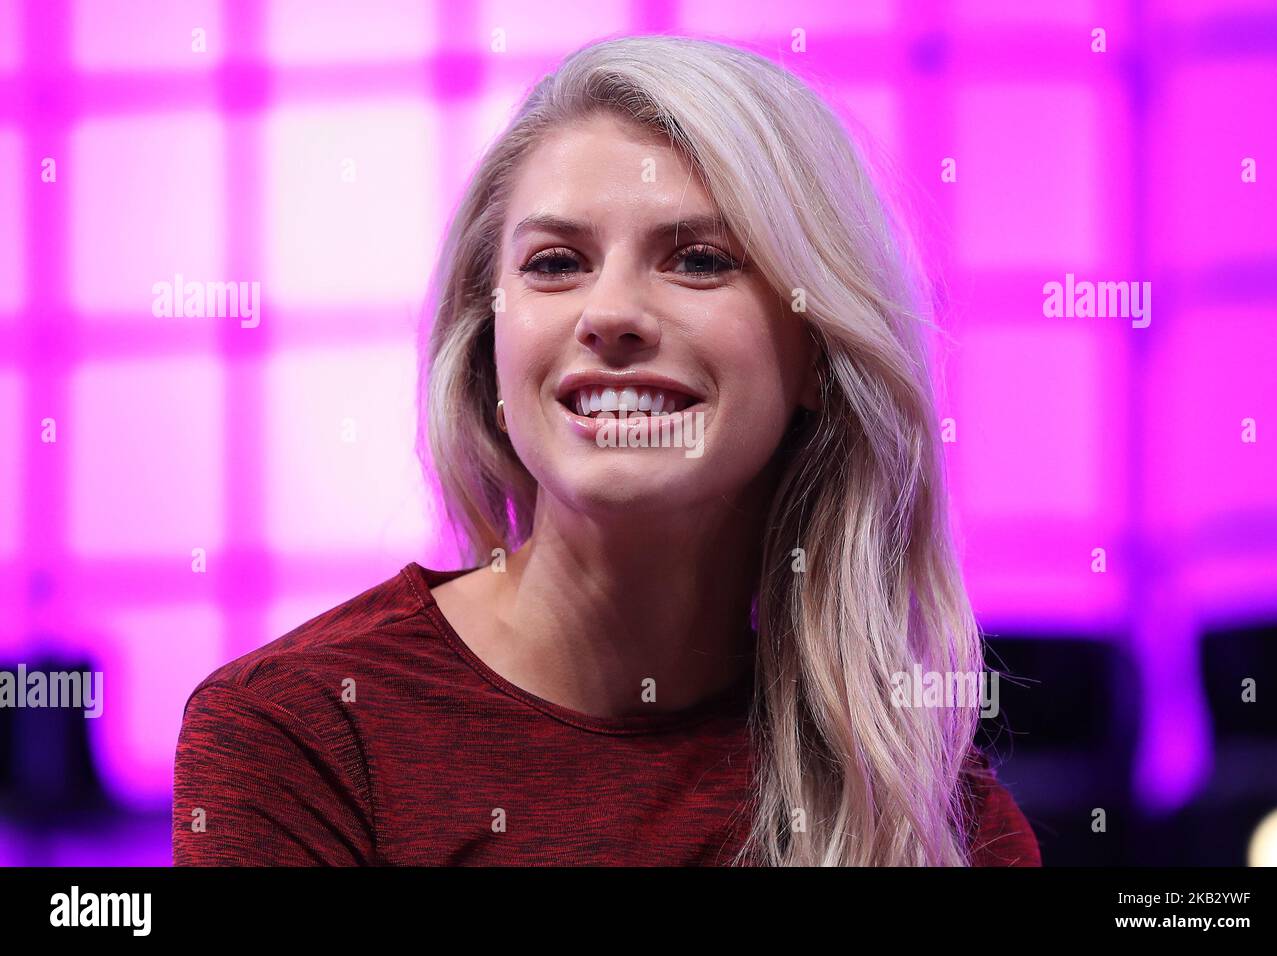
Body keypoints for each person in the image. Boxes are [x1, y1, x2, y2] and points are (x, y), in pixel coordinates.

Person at [173, 34, 1040, 867]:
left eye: (699, 260)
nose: (610, 313)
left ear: (818, 350)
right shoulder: (296, 733)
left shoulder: (920, 810)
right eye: (555, 264)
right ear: (490, 348)